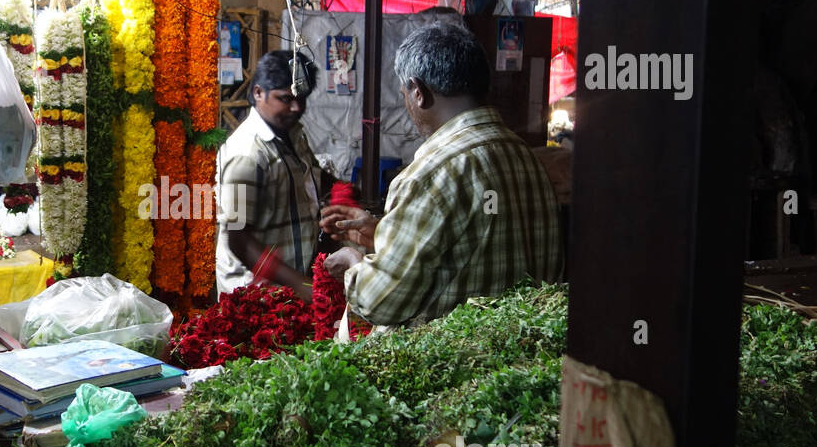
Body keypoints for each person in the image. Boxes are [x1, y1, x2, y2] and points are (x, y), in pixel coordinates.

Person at [321, 23, 562, 327]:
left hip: (454, 367)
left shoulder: (430, 175)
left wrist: (354, 263)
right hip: (518, 360)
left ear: (418, 92)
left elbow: (380, 302)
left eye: (404, 94)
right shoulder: (525, 156)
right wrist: (384, 232)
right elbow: (471, 242)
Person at [217, 49, 322, 301]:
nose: (297, 107)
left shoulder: (292, 133)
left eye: (302, 98)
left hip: (291, 286)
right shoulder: (247, 153)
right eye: (286, 98)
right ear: (258, 93)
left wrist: (341, 192)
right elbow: (239, 239)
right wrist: (302, 286)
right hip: (256, 295)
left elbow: (312, 171)